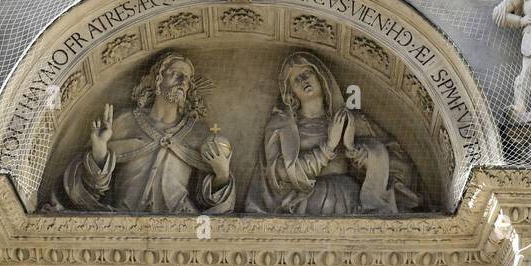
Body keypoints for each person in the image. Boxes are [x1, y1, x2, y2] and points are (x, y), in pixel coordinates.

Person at [246, 51, 417, 217]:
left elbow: (388, 161)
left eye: (307, 73)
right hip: (304, 204)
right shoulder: (282, 127)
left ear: (321, 77)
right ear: (290, 93)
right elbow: (281, 174)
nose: (303, 79)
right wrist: (328, 147)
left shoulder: (351, 121)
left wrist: (353, 149)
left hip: (349, 200)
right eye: (296, 80)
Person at [61, 52, 235, 214]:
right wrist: (99, 150)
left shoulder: (198, 133)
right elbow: (93, 188)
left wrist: (222, 174)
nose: (183, 81)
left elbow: (208, 200)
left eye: (188, 79)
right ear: (157, 79)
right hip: (123, 225)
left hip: (181, 228)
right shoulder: (124, 122)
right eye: (176, 73)